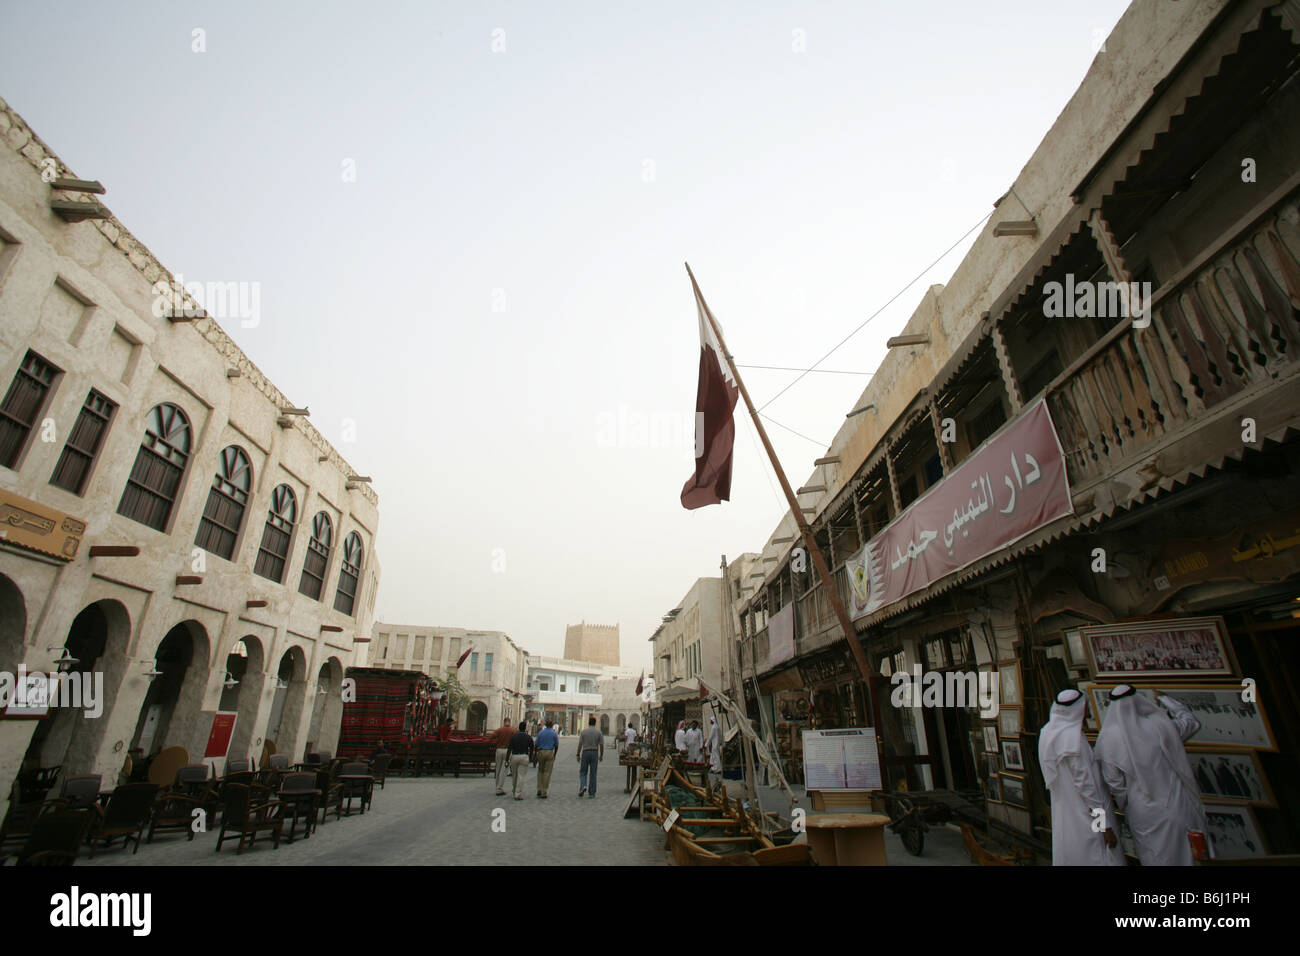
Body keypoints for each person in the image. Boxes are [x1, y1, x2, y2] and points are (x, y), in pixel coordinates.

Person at [1095, 686, 1207, 866]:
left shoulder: (1109, 738)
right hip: (1177, 803)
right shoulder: (1161, 726)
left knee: (1156, 857)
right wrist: (1165, 699)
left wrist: (1127, 803)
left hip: (1143, 810)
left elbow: (1114, 782)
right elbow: (1191, 722)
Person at [1037, 689, 1124, 866]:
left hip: (1066, 813)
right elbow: (1087, 788)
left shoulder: (1047, 733)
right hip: (1088, 817)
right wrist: (1104, 826)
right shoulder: (1073, 740)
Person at [577, 715, 604, 797]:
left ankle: (583, 785)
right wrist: (601, 755)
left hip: (585, 752)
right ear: (595, 723)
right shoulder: (599, 732)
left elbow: (580, 744)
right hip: (594, 752)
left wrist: (578, 754)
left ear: (588, 723)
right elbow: (601, 745)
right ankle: (592, 793)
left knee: (583, 772)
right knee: (593, 773)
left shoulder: (583, 732)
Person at [508, 720, 535, 801]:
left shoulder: (514, 736)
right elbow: (532, 747)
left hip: (514, 756)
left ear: (519, 728)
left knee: (514, 775)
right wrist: (530, 757)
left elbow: (510, 748)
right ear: (525, 728)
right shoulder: (528, 737)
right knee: (521, 776)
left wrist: (507, 759)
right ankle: (518, 793)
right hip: (524, 756)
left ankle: (514, 790)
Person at [535, 720, 559, 798]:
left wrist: (536, 754)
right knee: (547, 772)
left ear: (545, 725)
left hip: (541, 751)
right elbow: (556, 745)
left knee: (540, 771)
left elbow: (536, 744)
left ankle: (539, 788)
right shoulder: (554, 733)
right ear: (552, 725)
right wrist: (554, 754)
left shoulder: (541, 733)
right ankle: (544, 791)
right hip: (549, 752)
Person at [490, 718, 514, 796]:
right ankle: (500, 788)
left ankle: (497, 786)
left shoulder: (499, 730)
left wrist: (497, 741)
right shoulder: (512, 730)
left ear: (504, 722)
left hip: (499, 750)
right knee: (504, 770)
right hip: (508, 751)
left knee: (498, 768)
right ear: (509, 722)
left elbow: (492, 737)